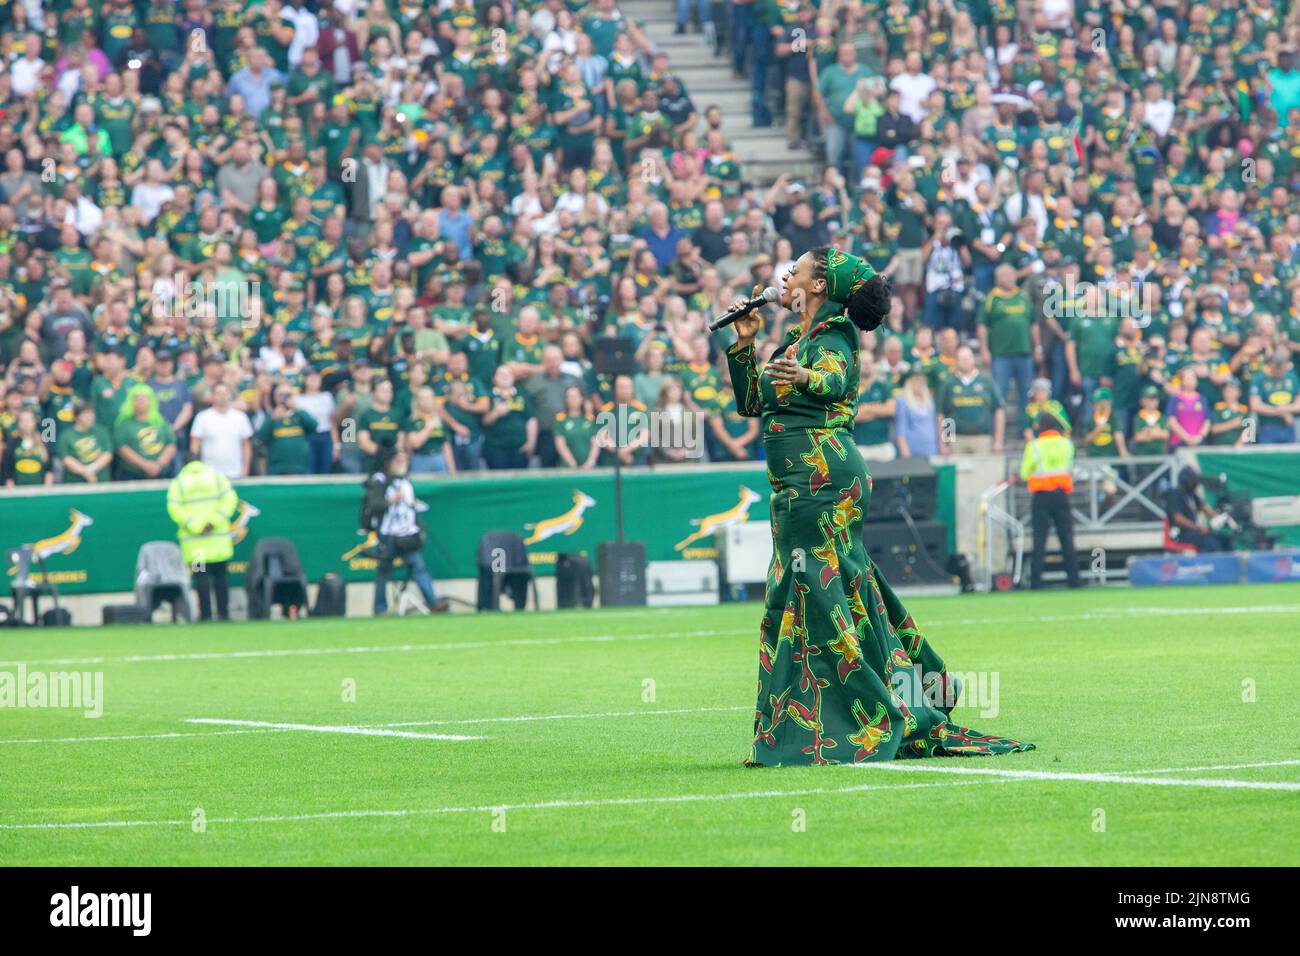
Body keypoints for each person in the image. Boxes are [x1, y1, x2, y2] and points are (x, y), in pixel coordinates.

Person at [723, 244, 1032, 765]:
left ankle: (853, 718)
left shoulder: (834, 334)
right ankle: (881, 703)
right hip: (797, 486)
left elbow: (834, 380)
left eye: (795, 268)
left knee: (812, 593)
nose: (784, 275)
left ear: (818, 286)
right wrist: (744, 347)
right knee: (835, 588)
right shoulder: (795, 337)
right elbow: (753, 404)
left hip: (822, 483)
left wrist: (805, 377)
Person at [371, 450, 450, 615]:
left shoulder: (406, 482)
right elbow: (373, 505)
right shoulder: (380, 480)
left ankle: (433, 602)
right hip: (389, 534)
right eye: (398, 460)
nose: (401, 463)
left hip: (407, 533)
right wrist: (391, 501)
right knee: (384, 572)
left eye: (403, 460)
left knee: (418, 568)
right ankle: (380, 608)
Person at [167, 459, 239, 622]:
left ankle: (205, 614)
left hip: (196, 546)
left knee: (201, 577)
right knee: (221, 577)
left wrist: (196, 526)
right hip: (218, 542)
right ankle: (223, 613)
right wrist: (213, 522)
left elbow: (174, 509)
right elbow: (230, 500)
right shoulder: (216, 477)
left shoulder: (179, 483)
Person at [1020, 412, 1080, 590]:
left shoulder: (1034, 446)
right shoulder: (1067, 444)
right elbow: (1070, 467)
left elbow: (1025, 472)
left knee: (1039, 540)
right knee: (1067, 538)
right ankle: (1074, 580)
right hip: (1061, 495)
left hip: (1041, 496)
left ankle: (1036, 582)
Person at [1165, 468, 1232, 553]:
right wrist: (1197, 528)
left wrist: (1221, 517)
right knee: (1211, 544)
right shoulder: (1175, 494)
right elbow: (1178, 518)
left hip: (1194, 532)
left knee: (1224, 540)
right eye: (1193, 481)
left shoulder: (1192, 495)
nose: (1195, 483)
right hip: (1181, 533)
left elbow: (1206, 509)